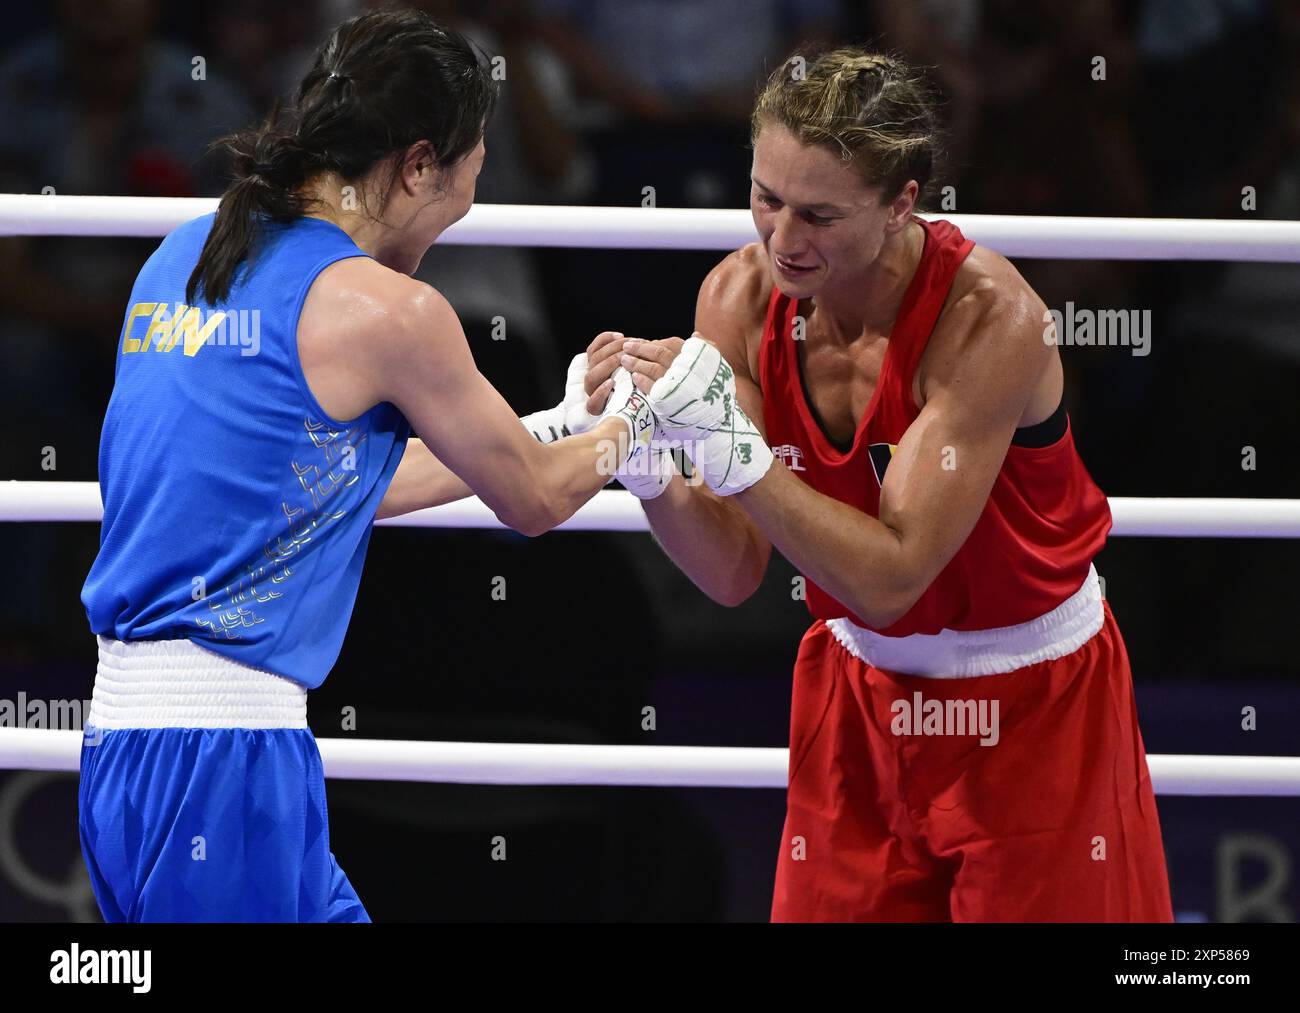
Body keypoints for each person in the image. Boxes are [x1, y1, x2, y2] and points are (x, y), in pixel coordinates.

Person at [77, 8, 651, 923]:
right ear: (419, 164)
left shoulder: (186, 256)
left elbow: (328, 492)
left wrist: (556, 421)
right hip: (221, 766)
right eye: (470, 173)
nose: (468, 205)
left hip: (137, 749)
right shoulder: (387, 311)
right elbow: (537, 505)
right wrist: (635, 421)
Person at [585, 49, 1174, 922]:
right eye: (767, 198)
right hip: (858, 699)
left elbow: (895, 578)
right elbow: (733, 568)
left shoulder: (989, 320)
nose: (783, 239)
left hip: (1034, 709)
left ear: (903, 202)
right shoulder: (739, 302)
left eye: (820, 214)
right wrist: (653, 474)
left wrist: (727, 445)